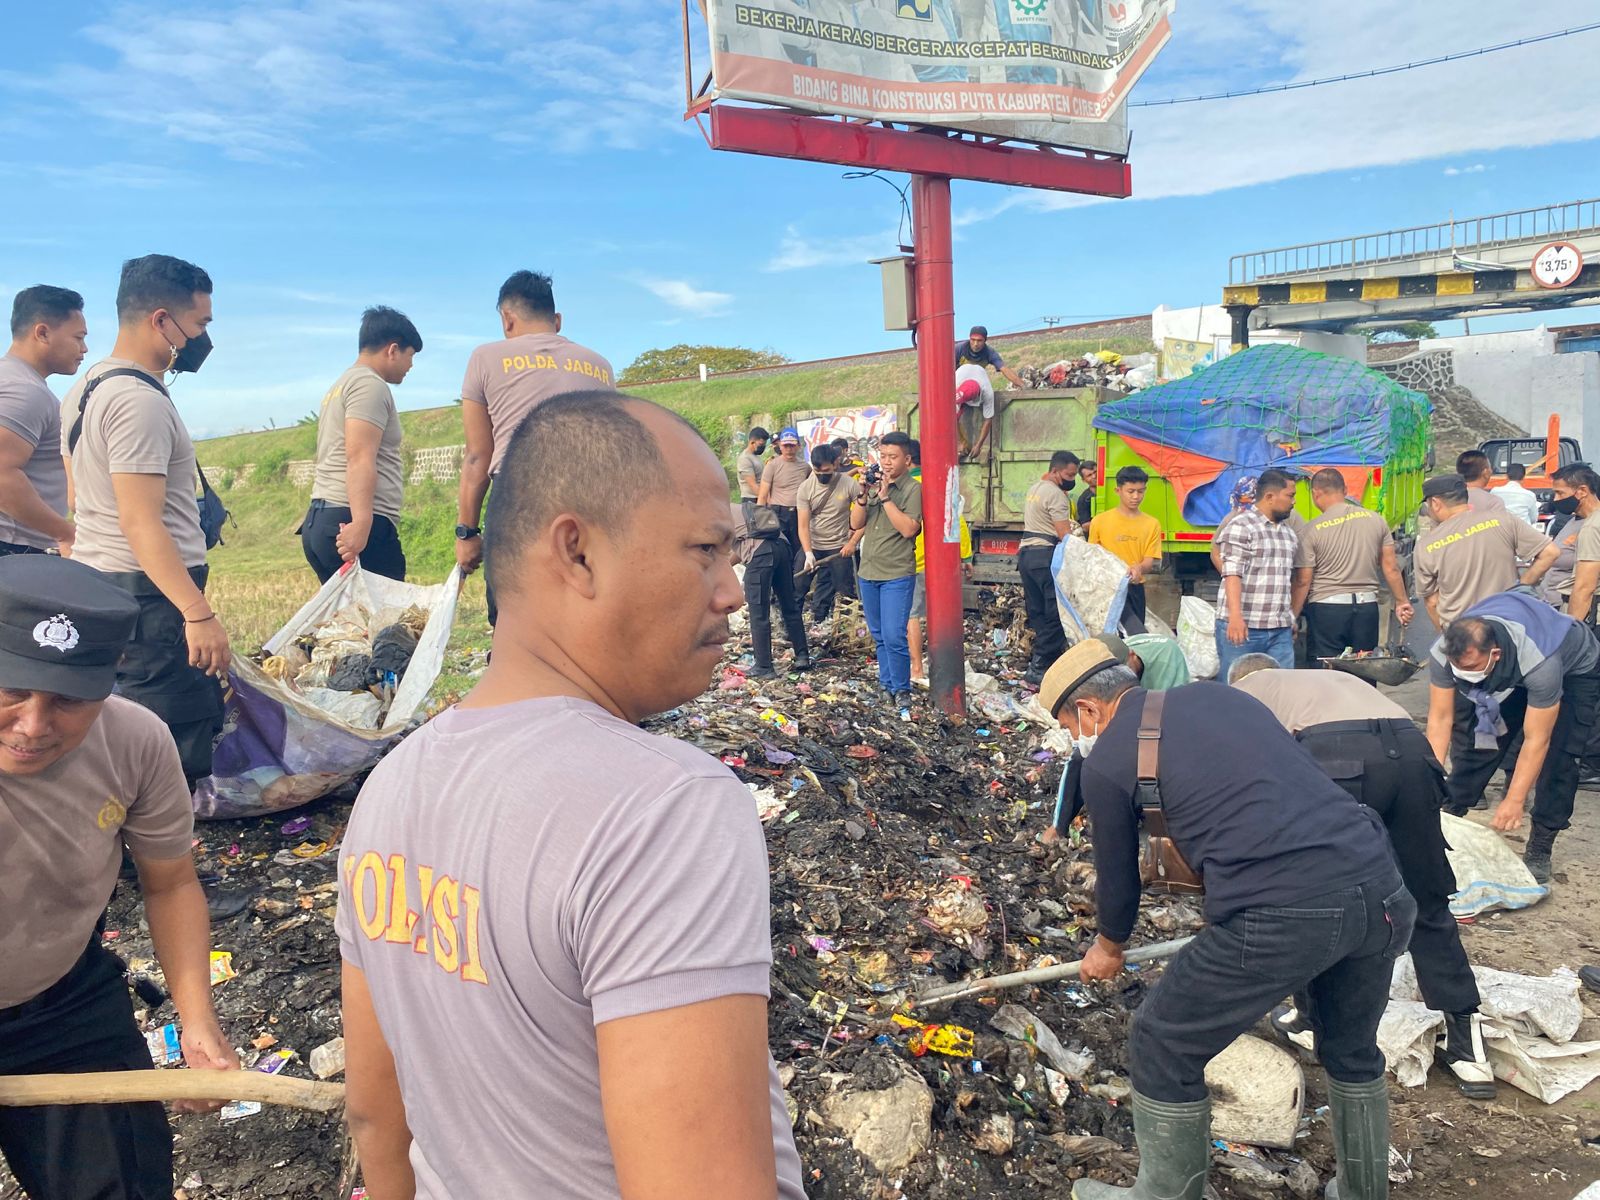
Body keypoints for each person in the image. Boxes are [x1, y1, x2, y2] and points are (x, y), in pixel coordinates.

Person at [337, 391, 806, 1200]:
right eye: (705, 550)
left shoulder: (390, 787)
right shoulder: (664, 809)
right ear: (578, 553)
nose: (730, 591)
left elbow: (377, 1118)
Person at [1042, 641, 1414, 1200]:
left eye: (1072, 724)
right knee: (1350, 1047)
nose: (1077, 738)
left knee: (1162, 1040)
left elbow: (1117, 882)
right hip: (1379, 889)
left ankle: (1165, 1195)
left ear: (1090, 709)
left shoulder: (1108, 762)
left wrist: (1109, 947)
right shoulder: (1224, 699)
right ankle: (1364, 1192)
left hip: (1284, 911)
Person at [0, 555, 237, 1199]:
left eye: (69, 700)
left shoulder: (135, 742)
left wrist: (196, 1021)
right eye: (11, 687)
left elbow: (170, 884)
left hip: (62, 1002)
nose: (32, 724)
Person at [1230, 655, 1493, 1099]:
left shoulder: (1247, 689)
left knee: (1320, 896)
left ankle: (1314, 1023)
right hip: (1411, 752)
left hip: (1336, 756)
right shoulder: (1326, 679)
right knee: (1426, 900)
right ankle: (1469, 1050)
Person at [61, 253, 227, 789]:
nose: (202, 337)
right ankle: (157, 864)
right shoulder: (138, 402)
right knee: (165, 739)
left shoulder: (86, 389)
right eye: (199, 324)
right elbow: (141, 522)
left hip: (105, 583)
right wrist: (196, 613)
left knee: (120, 731)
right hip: (150, 599)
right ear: (161, 319)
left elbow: (79, 498)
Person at [455, 270, 615, 622]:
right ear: (557, 320)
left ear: (507, 319)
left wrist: (467, 532)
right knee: (585, 611)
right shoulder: (600, 365)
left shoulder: (485, 358)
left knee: (516, 618)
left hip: (521, 500)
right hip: (593, 504)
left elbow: (478, 457)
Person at [1426, 590, 1600, 883]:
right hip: (1515, 662)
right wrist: (1428, 781)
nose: (1461, 673)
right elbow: (1441, 720)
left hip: (1574, 669)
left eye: (1469, 668)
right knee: (1482, 740)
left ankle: (1541, 845)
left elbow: (1537, 739)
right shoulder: (1444, 653)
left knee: (1561, 757)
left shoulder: (1540, 664)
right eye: (1457, 668)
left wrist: (1515, 799)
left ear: (1494, 654)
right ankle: (1448, 814)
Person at [302, 306, 421, 584]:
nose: (411, 365)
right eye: (410, 356)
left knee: (351, 624)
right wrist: (362, 524)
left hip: (325, 518)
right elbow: (359, 457)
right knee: (385, 622)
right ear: (392, 350)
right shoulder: (370, 385)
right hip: (353, 521)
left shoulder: (341, 385)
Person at [1292, 468, 1415, 659]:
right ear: (1345, 490)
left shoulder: (1311, 530)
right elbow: (1390, 567)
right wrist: (1402, 602)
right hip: (1367, 609)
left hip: (1327, 611)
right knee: (1364, 668)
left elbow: (1303, 580)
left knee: (1327, 672)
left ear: (1315, 494)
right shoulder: (1376, 520)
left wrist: (1293, 615)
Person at [0, 286, 83, 557]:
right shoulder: (25, 391)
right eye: (78, 337)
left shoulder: (10, 380)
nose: (84, 349)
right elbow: (2, 474)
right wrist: (65, 533)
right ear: (42, 332)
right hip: (14, 549)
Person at [1413, 474, 1556, 630]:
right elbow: (1550, 553)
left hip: (1462, 633)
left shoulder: (1426, 546)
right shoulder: (1503, 520)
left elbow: (1432, 602)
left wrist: (1447, 639)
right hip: (1507, 624)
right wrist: (1521, 588)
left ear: (1435, 503)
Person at [850, 430, 922, 706]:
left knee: (894, 635)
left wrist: (885, 497)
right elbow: (856, 524)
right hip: (868, 571)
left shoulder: (912, 489)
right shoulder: (873, 483)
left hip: (896, 573)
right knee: (879, 635)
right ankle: (886, 685)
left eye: (893, 457)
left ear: (907, 459)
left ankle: (902, 689)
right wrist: (863, 494)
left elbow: (908, 529)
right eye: (883, 456)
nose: (887, 462)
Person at [1214, 468, 1299, 677]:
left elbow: (1286, 580)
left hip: (1279, 630)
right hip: (1244, 627)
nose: (1293, 502)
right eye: (1290, 496)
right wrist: (1235, 616)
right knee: (1237, 691)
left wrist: (1290, 619)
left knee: (1283, 689)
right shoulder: (1241, 526)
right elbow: (1232, 574)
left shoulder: (1288, 534)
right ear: (1270, 497)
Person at [906, 438, 972, 687]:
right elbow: (958, 520)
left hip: (911, 561)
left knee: (911, 615)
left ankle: (917, 667)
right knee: (938, 614)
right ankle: (941, 665)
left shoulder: (905, 487)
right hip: (939, 563)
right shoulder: (940, 483)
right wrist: (965, 556)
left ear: (908, 459)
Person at [1018, 452, 1081, 685]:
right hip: (1045, 556)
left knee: (1037, 612)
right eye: (1069, 474)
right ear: (1055, 471)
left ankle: (1045, 663)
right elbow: (1064, 534)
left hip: (1026, 556)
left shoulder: (1035, 488)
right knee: (1057, 612)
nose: (1072, 479)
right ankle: (1040, 664)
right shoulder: (1056, 495)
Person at [1088, 465, 1162, 635]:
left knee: (1135, 641)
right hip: (1107, 590)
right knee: (1111, 638)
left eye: (1141, 491)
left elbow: (1149, 561)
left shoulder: (1152, 524)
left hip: (1135, 588)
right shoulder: (1100, 521)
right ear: (1118, 490)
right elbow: (1093, 558)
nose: (1136, 496)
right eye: (1131, 491)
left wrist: (1138, 568)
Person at [795, 443, 861, 623]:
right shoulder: (806, 488)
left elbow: (865, 518)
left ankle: (846, 631)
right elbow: (802, 525)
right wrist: (808, 553)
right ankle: (793, 629)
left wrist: (852, 543)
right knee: (797, 588)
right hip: (813, 545)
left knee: (845, 593)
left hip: (839, 548)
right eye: (817, 471)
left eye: (826, 471)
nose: (822, 475)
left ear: (836, 464)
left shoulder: (849, 484)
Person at [1553, 463, 1600, 622]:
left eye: (1560, 493)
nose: (1556, 499)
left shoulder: (1591, 527)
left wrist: (1571, 631)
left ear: (1582, 491)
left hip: (1591, 619)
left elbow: (1584, 587)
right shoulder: (1580, 522)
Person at [757, 427, 811, 552]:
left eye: (792, 446)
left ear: (798, 446)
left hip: (799, 512)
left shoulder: (805, 467)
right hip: (779, 512)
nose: (789, 449)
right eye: (785, 446)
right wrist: (759, 517)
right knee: (780, 547)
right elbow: (763, 495)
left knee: (799, 547)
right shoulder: (772, 465)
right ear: (780, 446)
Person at [1098, 631, 1192, 692]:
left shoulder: (1166, 658)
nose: (1122, 678)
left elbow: (1174, 703)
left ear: (1132, 655)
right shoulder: (1111, 650)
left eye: (1124, 671)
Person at [955, 363, 996, 459]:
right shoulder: (955, 384)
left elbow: (988, 419)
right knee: (954, 415)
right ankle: (963, 444)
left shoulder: (987, 392)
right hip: (963, 373)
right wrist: (959, 441)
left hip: (979, 373)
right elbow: (952, 418)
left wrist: (979, 445)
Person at [737, 427, 770, 501]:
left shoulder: (755, 456)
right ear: (752, 442)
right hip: (751, 500)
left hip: (759, 498)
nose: (763, 447)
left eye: (764, 444)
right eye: (761, 444)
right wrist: (766, 500)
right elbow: (753, 485)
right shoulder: (745, 459)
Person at [1075, 461, 1097, 528]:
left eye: (1095, 472)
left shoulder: (1114, 490)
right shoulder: (1083, 499)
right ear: (1084, 480)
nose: (1094, 476)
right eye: (1089, 475)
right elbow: (1085, 526)